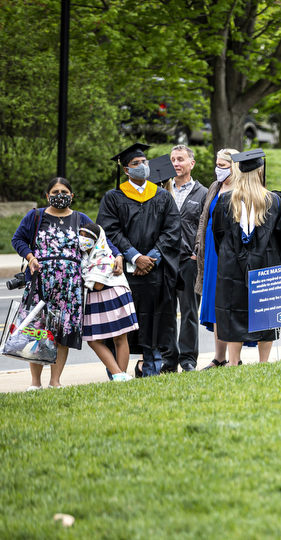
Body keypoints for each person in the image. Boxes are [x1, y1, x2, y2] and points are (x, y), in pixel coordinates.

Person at [97, 143, 181, 377]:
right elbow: (110, 231)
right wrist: (135, 256)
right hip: (125, 272)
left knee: (154, 320)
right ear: (126, 170)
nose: (143, 167)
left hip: (155, 272)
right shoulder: (113, 198)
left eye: (145, 162)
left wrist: (151, 258)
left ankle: (151, 365)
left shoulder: (162, 196)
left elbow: (172, 230)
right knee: (121, 321)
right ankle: (118, 371)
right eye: (136, 164)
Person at [213, 148, 281, 364]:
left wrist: (230, 255)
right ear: (259, 172)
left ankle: (234, 362)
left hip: (231, 264)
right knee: (266, 310)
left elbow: (218, 235)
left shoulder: (225, 200)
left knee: (234, 311)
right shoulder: (274, 201)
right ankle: (263, 362)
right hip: (266, 263)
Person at [10, 178, 90, 390]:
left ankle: (55, 381)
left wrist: (117, 255)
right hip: (40, 284)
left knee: (62, 333)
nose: (60, 194)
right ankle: (35, 383)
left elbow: (101, 242)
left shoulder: (80, 219)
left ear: (71, 195)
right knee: (38, 331)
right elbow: (17, 240)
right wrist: (30, 257)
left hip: (70, 287)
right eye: (55, 191)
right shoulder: (35, 216)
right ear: (47, 196)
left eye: (64, 191)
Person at [161, 145, 208, 373]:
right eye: (172, 160)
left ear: (192, 163)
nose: (176, 163)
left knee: (189, 311)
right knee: (166, 311)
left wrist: (196, 254)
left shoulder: (204, 193)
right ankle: (169, 359)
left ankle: (188, 359)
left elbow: (205, 227)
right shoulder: (161, 191)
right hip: (164, 261)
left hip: (189, 261)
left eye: (180, 159)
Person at [195, 148, 240, 369]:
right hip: (211, 249)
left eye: (223, 166)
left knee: (229, 300)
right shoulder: (215, 187)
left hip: (230, 250)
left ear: (235, 167)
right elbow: (204, 218)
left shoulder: (243, 188)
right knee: (214, 300)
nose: (218, 169)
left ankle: (235, 358)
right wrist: (199, 246)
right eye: (217, 164)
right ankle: (219, 357)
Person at [79, 222, 137, 382]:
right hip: (97, 298)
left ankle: (120, 376)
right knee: (93, 340)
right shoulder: (85, 256)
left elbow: (97, 285)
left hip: (112, 295)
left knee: (120, 337)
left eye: (88, 237)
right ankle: (120, 374)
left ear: (98, 239)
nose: (83, 239)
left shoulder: (103, 255)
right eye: (81, 235)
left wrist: (83, 275)